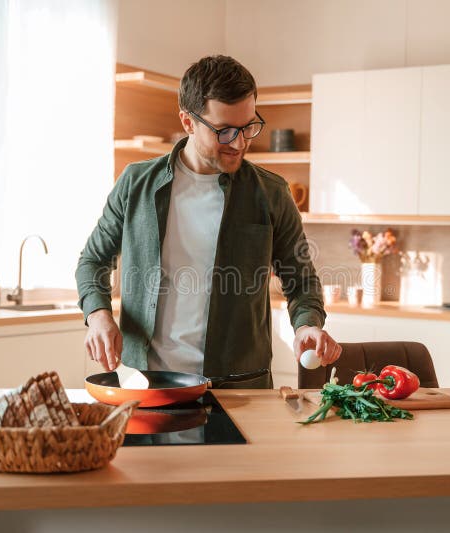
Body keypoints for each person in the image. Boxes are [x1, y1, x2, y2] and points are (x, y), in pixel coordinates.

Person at [76, 55, 340, 388]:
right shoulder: (136, 183)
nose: (240, 143)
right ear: (188, 122)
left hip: (240, 386)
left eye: (248, 127)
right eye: (225, 131)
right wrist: (99, 316)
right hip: (144, 383)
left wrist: (306, 325)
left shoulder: (271, 193)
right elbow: (92, 261)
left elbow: (301, 279)